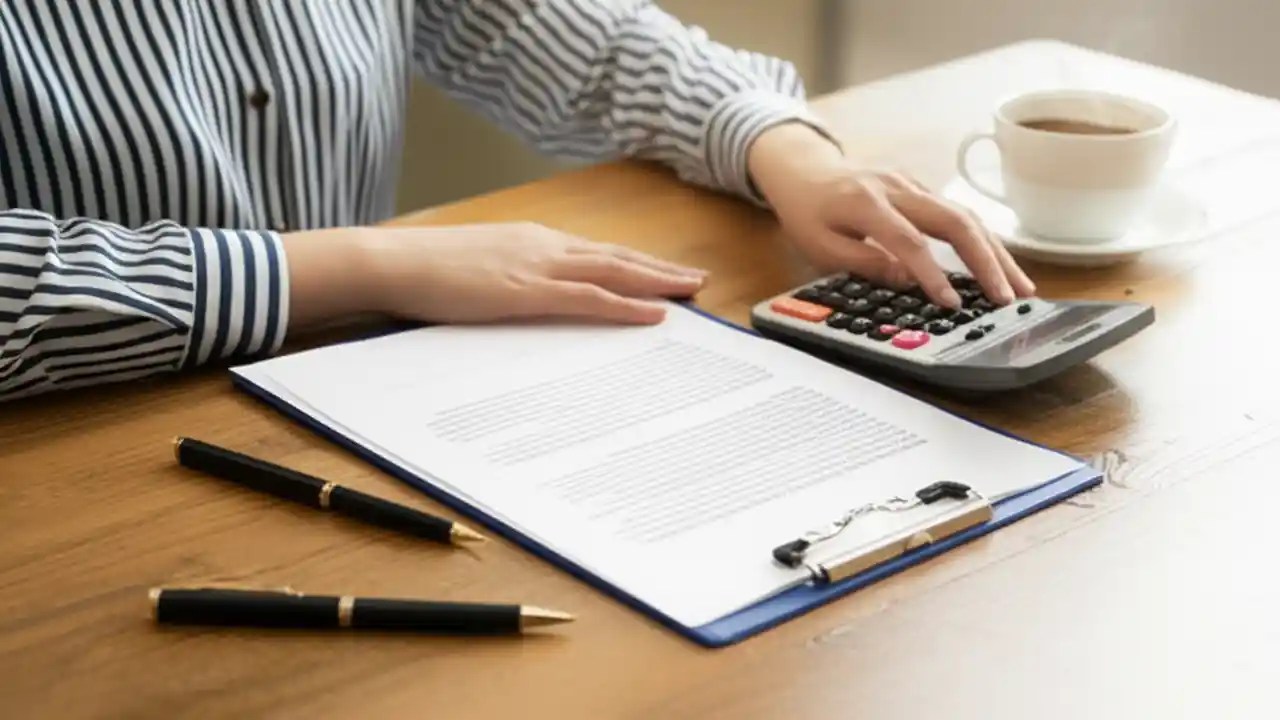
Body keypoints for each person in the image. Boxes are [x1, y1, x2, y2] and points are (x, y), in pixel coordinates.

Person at [0, 1, 1034, 402]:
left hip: (375, 394)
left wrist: (773, 142)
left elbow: (557, 32)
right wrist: (364, 265)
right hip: (76, 448)